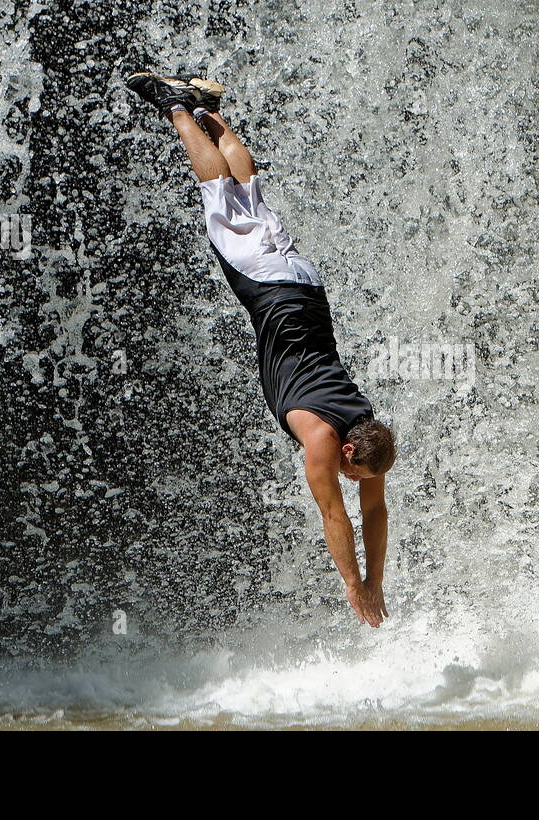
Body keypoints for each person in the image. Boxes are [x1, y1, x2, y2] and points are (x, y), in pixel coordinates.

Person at [126, 71, 395, 627]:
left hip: (304, 284)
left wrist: (378, 579)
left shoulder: (367, 429)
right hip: (269, 287)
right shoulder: (323, 440)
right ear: (348, 454)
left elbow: (376, 508)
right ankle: (179, 108)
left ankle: (212, 112)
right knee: (219, 197)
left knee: (251, 199)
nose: (357, 483)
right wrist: (356, 585)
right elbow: (335, 515)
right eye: (354, 474)